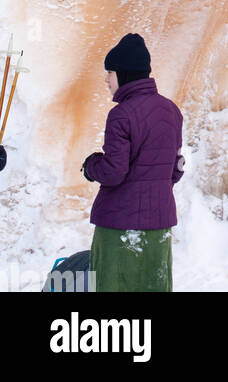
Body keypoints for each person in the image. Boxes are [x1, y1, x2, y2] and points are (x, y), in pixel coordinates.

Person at [82, 33, 184, 292]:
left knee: (112, 286)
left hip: (119, 227)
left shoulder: (121, 115)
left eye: (111, 73)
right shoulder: (171, 111)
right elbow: (175, 168)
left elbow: (114, 172)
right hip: (159, 226)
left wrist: (91, 165)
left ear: (125, 75)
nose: (107, 79)